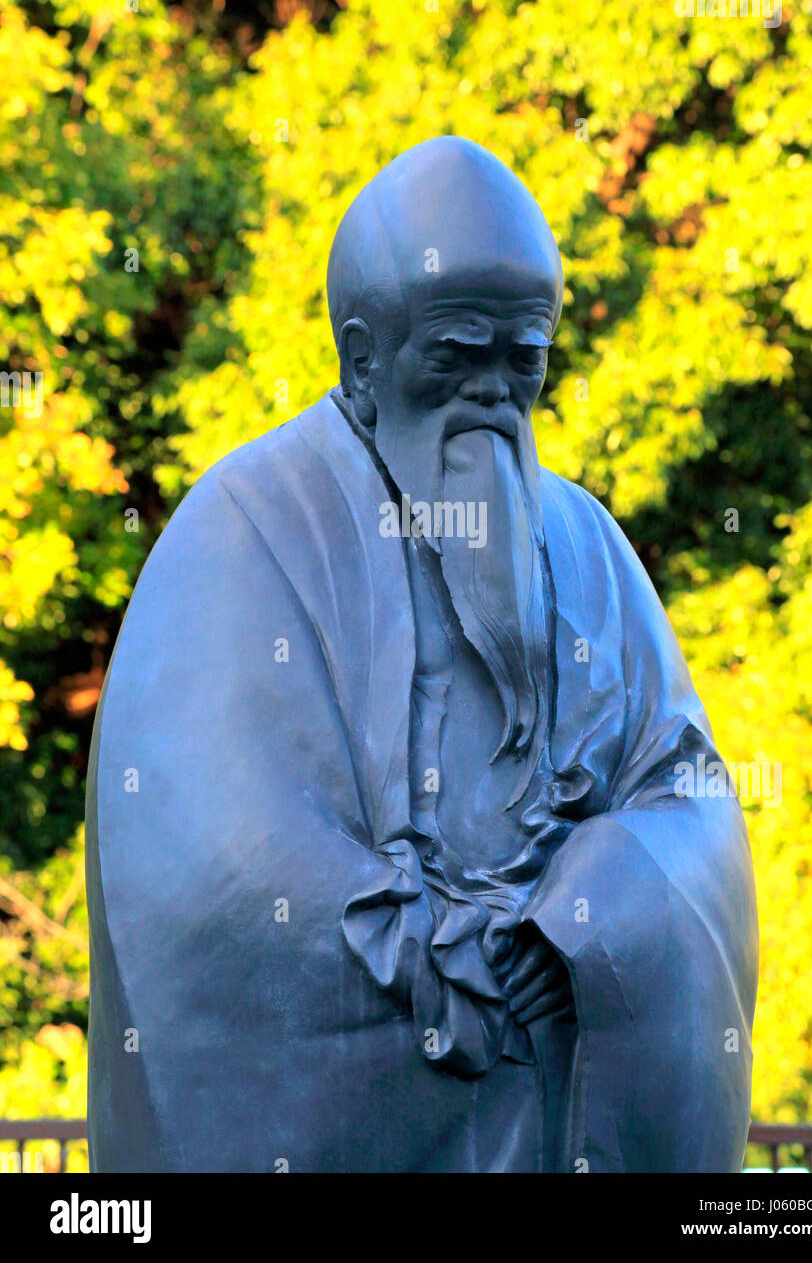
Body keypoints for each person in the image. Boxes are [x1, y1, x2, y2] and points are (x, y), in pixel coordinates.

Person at [86, 136, 757, 1172]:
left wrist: (588, 922)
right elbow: (203, 830)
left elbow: (685, 795)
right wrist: (435, 950)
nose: (490, 395)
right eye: (454, 356)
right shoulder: (247, 527)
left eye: (519, 361)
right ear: (362, 361)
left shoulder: (586, 547)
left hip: (550, 1099)